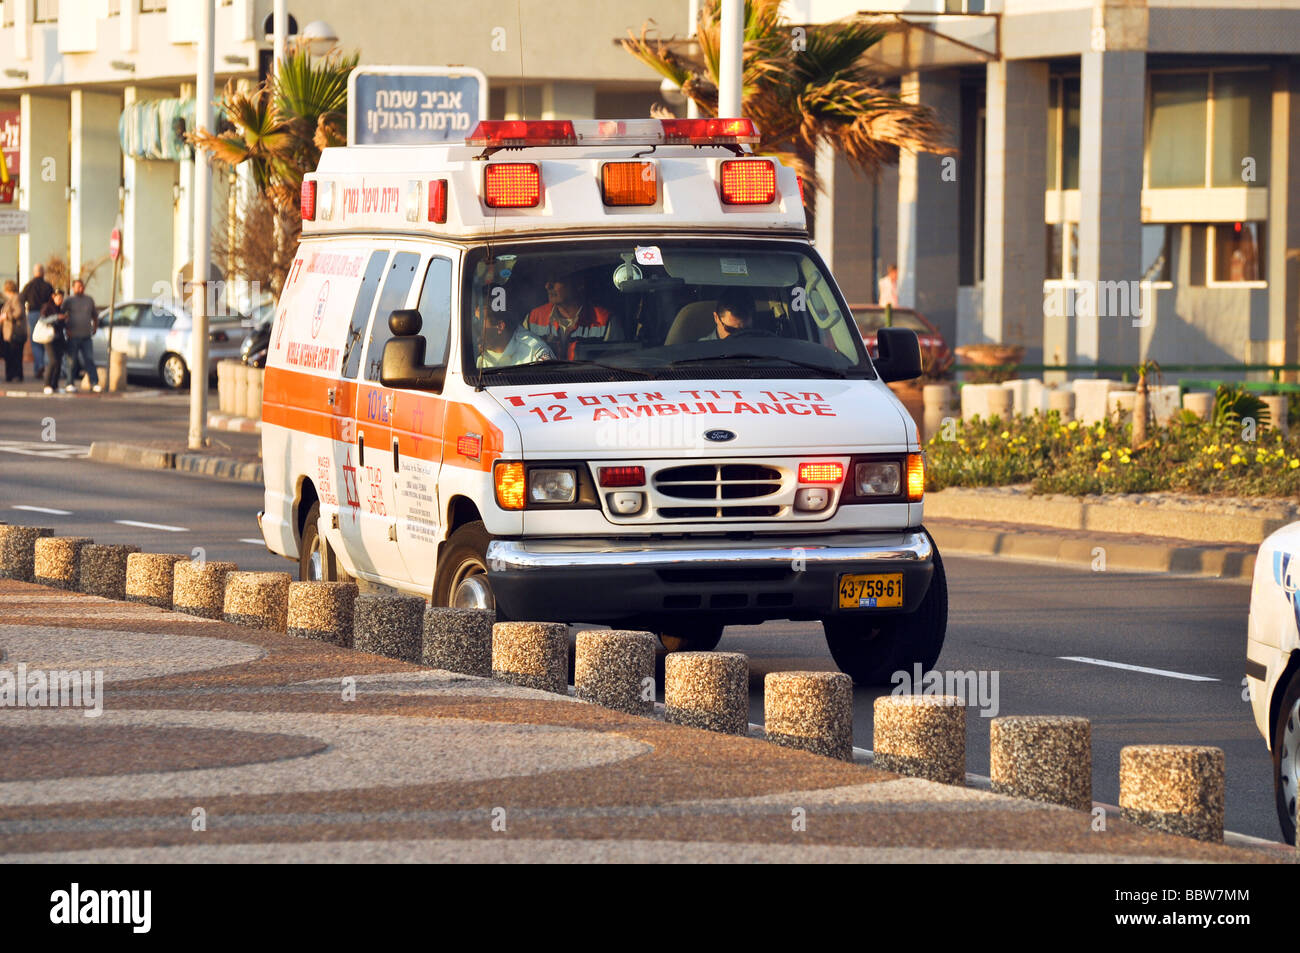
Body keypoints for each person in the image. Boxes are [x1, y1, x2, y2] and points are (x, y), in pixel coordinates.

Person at [523, 268, 611, 360]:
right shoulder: (533, 318)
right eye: (547, 280)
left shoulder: (605, 321)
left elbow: (613, 362)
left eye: (556, 280)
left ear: (579, 283)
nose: (548, 286)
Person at [475, 292, 554, 369]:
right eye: (475, 321)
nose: (475, 328)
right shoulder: (477, 356)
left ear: (500, 326)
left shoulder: (533, 352)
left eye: (479, 322)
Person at [62, 278, 101, 393]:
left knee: (89, 359)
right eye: (78, 286)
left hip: (86, 336)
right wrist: (66, 329)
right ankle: (70, 383)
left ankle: (94, 383)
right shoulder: (69, 300)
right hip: (73, 335)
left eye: (82, 286)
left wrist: (95, 327)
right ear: (73, 288)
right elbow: (62, 315)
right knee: (71, 361)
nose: (81, 288)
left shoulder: (89, 300)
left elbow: (94, 315)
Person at [19, 264, 53, 377]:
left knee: (35, 341)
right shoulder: (48, 286)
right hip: (46, 314)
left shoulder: (29, 286)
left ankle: (39, 365)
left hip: (33, 313)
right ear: (43, 272)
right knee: (47, 339)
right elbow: (53, 299)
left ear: (34, 272)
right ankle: (45, 365)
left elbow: (22, 299)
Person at [38, 289, 69, 394]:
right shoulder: (47, 307)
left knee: (59, 362)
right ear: (53, 297)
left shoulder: (61, 308)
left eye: (61, 298)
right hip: (49, 338)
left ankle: (55, 385)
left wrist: (65, 319)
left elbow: (63, 323)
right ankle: (47, 385)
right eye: (58, 297)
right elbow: (42, 320)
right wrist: (56, 317)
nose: (60, 300)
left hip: (59, 338)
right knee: (53, 361)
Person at [1, 279, 27, 381]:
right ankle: (15, 375)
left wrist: (6, 316)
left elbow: (19, 312)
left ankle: (13, 375)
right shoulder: (13, 299)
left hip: (14, 331)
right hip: (12, 332)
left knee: (13, 355)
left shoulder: (16, 299)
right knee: (14, 355)